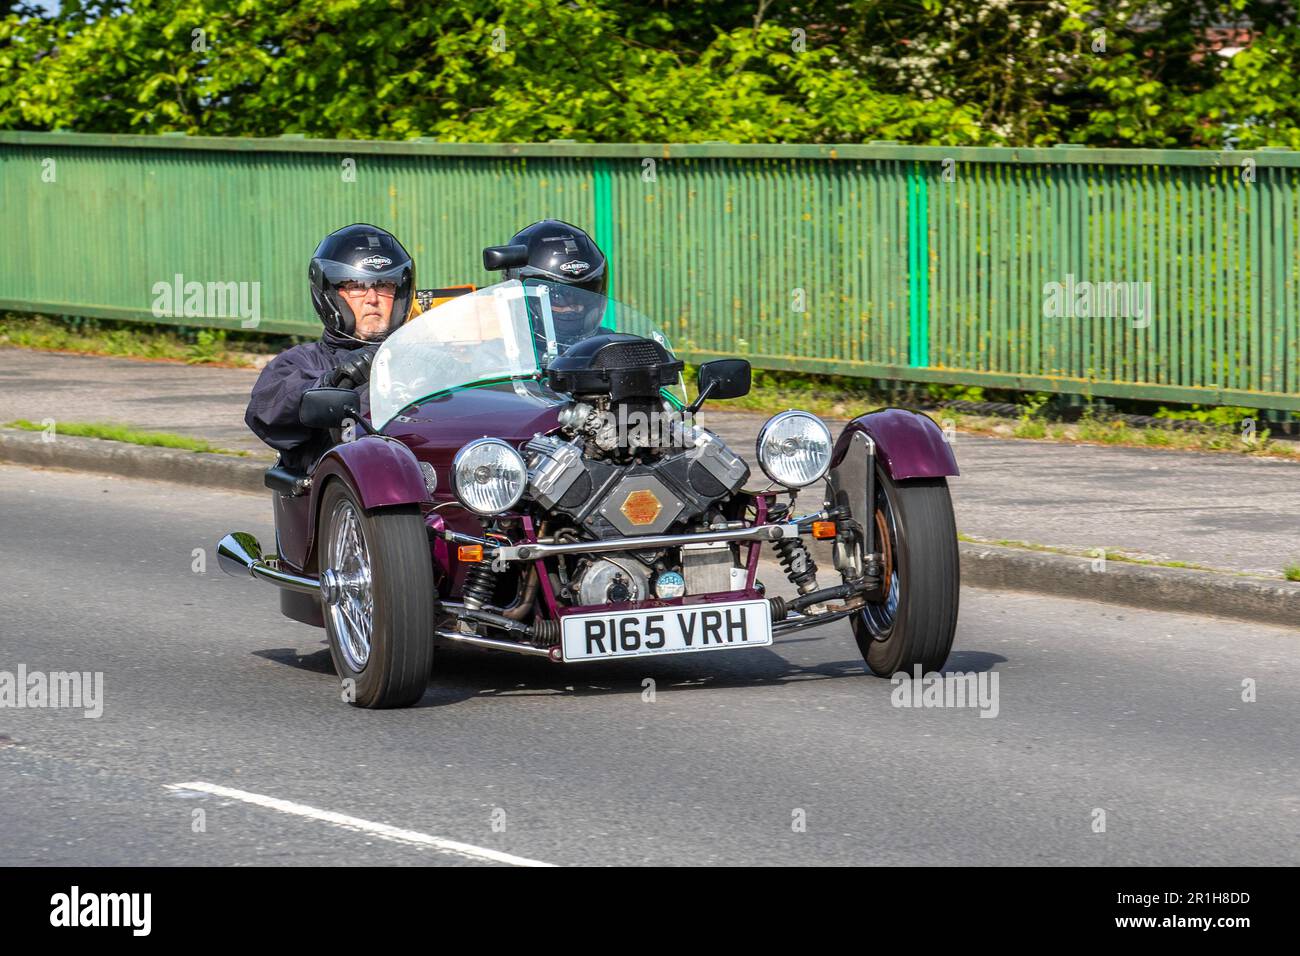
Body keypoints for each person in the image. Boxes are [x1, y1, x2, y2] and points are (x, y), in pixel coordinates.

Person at [244, 223, 414, 470]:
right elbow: (265, 412)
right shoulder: (303, 361)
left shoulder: (418, 359)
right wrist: (332, 382)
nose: (372, 299)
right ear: (331, 295)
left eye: (384, 286)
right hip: (345, 495)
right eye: (356, 286)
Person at [499, 219, 611, 353]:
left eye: (583, 295)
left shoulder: (609, 347)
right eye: (557, 297)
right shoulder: (504, 356)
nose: (572, 307)